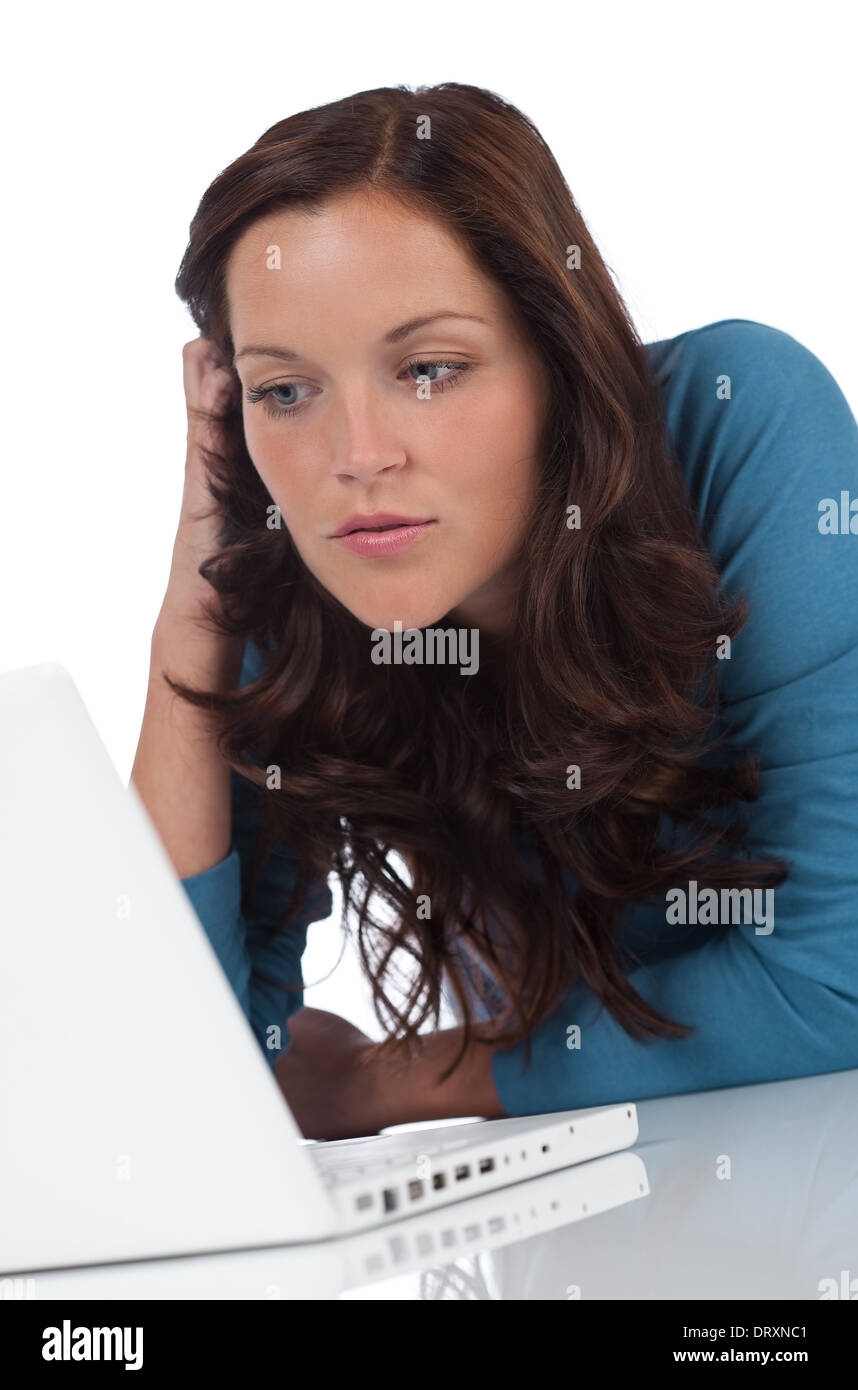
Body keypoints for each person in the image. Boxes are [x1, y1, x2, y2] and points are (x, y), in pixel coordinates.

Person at [130, 83, 858, 1141]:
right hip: (602, 1233)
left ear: (557, 359)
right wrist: (198, 599)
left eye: (428, 368)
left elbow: (834, 982)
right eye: (285, 391)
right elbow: (180, 1081)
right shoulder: (310, 577)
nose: (355, 458)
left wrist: (384, 1081)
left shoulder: (735, 422)